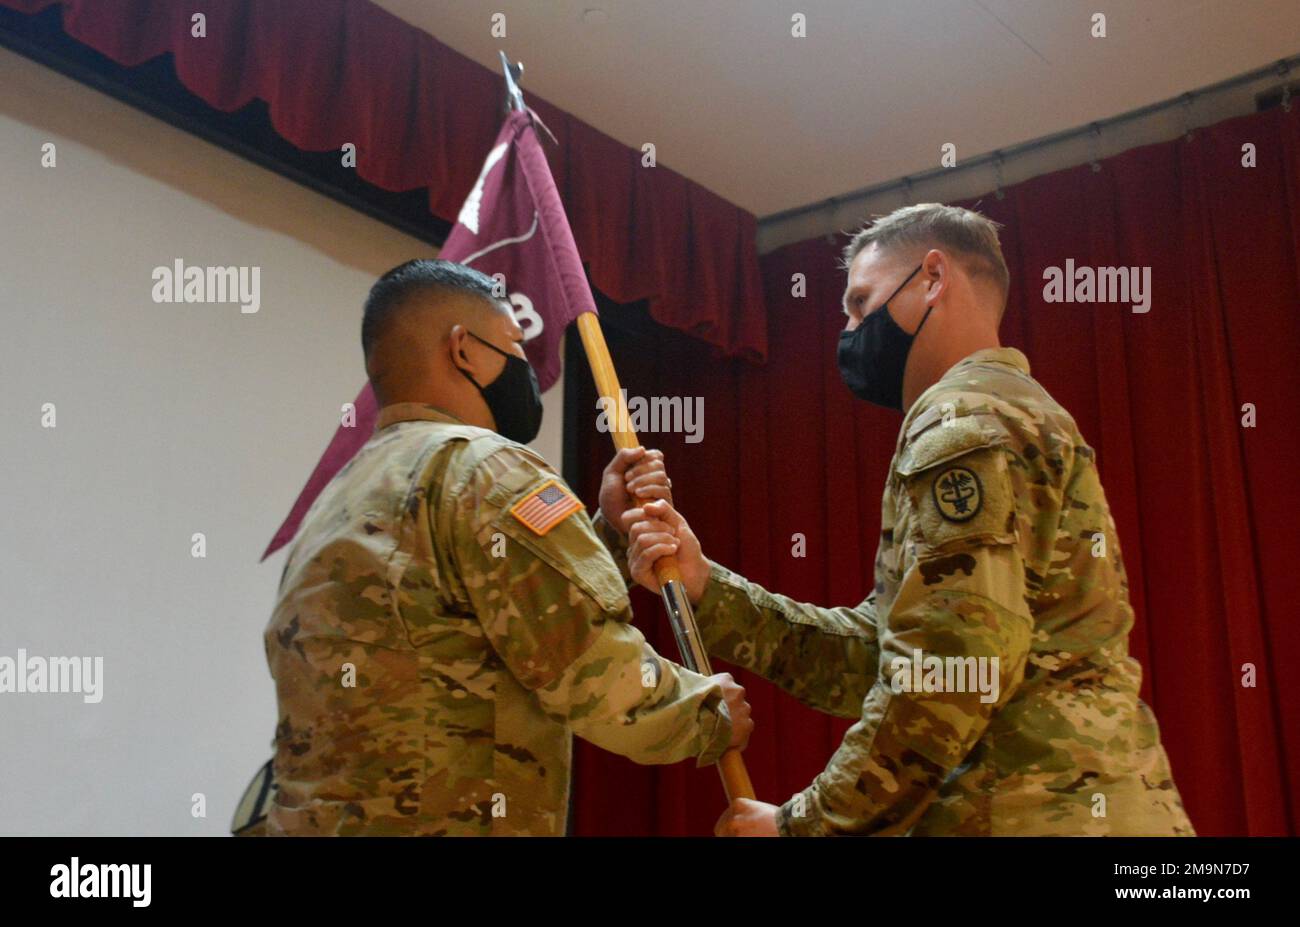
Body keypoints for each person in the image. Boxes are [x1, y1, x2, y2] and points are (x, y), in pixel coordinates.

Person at [622, 204, 1194, 837]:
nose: (848, 330)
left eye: (861, 303)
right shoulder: (1012, 409)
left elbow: (949, 670)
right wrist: (708, 587)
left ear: (933, 277)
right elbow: (885, 652)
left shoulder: (959, 419)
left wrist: (800, 826)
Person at [260, 258, 751, 836]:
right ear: (463, 349)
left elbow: (464, 615)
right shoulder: (485, 467)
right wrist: (707, 711)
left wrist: (609, 533)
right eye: (516, 344)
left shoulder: (337, 497)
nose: (527, 365)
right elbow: (591, 670)